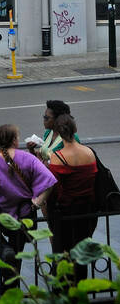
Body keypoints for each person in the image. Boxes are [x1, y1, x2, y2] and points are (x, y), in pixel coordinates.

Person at [0, 124, 56, 292]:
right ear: (15, 140)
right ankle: (10, 286)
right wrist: (37, 203)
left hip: (0, 211)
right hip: (24, 212)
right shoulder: (28, 158)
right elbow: (50, 180)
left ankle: (2, 250)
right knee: (17, 252)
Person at [46, 113, 98, 282]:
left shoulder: (58, 156)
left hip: (65, 212)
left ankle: (64, 289)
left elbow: (52, 187)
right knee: (81, 251)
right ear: (75, 130)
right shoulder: (89, 153)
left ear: (60, 134)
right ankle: (81, 286)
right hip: (86, 210)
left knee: (63, 252)